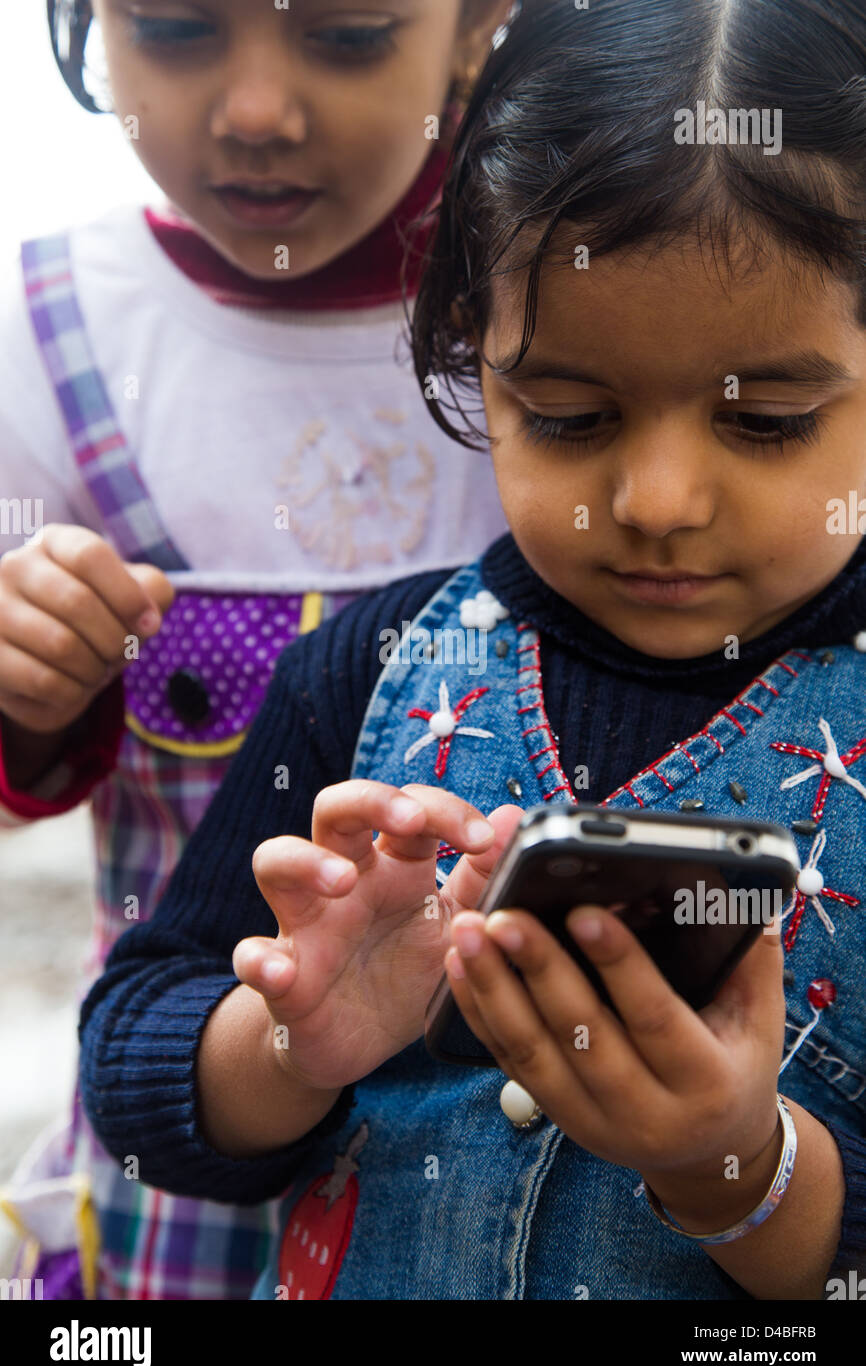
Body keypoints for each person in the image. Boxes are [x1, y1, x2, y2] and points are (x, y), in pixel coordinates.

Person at [78, 0, 866, 1299]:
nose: (656, 498)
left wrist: (735, 1165)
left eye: (766, 419)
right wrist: (293, 1039)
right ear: (472, 360)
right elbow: (133, 1059)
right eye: (567, 413)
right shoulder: (371, 670)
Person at [0, 0, 511, 1299]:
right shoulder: (49, 333)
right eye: (175, 28)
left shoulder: (594, 310)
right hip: (176, 1163)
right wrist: (30, 693)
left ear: (476, 26)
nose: (255, 109)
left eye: (344, 36)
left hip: (532, 1208)